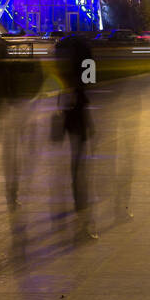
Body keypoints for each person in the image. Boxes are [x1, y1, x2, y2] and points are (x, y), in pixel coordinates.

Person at [57, 35, 97, 240]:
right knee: (79, 164)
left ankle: (72, 206)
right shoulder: (84, 54)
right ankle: (81, 213)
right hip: (77, 113)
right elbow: (89, 81)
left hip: (68, 112)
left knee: (74, 164)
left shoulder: (62, 54)